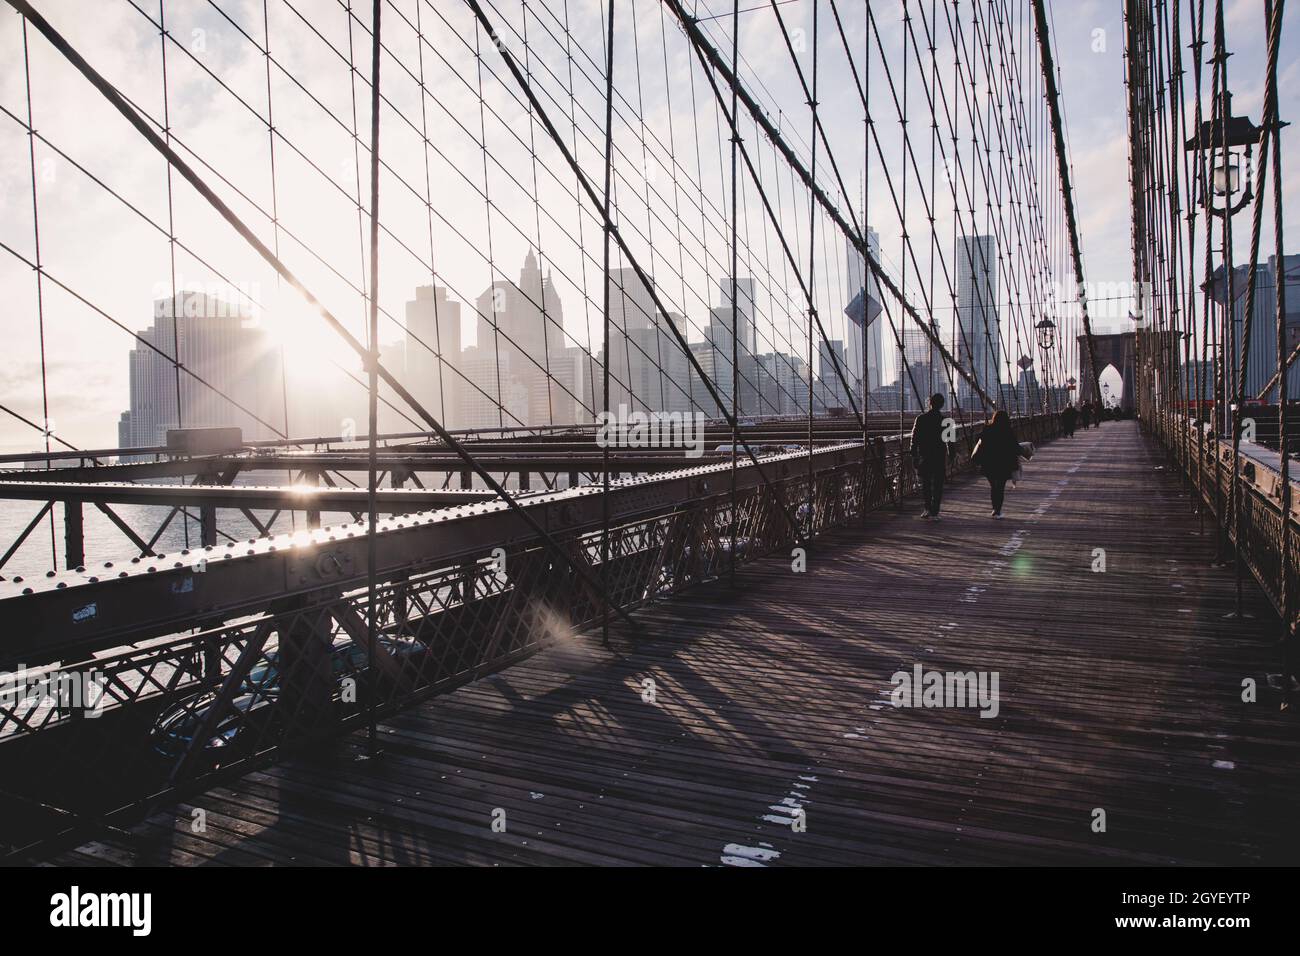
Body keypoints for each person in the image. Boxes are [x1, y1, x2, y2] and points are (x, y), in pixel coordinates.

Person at [972, 410, 1031, 518]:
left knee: (993, 487)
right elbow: (1014, 447)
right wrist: (1024, 451)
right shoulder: (1008, 431)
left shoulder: (987, 429)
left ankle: (994, 508)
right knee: (1000, 487)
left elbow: (978, 440)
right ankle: (997, 510)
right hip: (1004, 464)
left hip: (989, 463)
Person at [910, 393, 952, 519]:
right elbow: (951, 441)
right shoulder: (947, 421)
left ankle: (927, 508)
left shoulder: (920, 419)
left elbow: (914, 438)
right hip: (939, 456)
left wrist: (914, 454)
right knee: (938, 485)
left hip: (924, 455)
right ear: (942, 405)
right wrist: (952, 455)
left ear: (930, 403)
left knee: (926, 484)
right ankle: (935, 511)